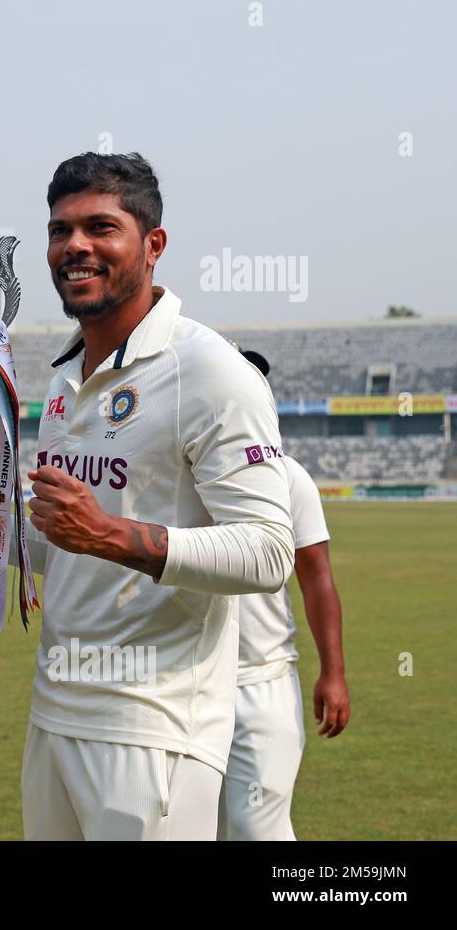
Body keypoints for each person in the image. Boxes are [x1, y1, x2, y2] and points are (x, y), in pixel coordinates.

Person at [0, 152, 295, 840]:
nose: (75, 246)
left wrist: (109, 535)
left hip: (157, 726)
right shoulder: (66, 376)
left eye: (100, 227)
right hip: (56, 713)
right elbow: (66, 543)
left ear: (153, 245)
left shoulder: (211, 371)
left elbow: (269, 552)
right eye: (60, 231)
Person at [218, 349, 351, 841]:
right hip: (183, 681)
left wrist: (333, 673)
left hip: (262, 681)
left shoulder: (287, 477)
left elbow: (316, 575)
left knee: (259, 832)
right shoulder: (175, 473)